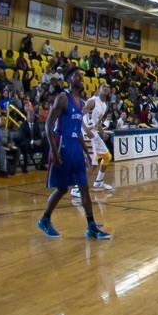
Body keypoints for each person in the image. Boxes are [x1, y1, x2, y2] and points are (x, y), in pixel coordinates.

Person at [36, 67, 111, 239]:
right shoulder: (63, 98)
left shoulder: (82, 103)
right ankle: (45, 219)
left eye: (82, 76)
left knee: (84, 186)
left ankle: (91, 226)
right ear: (69, 79)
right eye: (77, 76)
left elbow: (78, 131)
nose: (81, 78)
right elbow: (48, 125)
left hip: (76, 147)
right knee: (62, 188)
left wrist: (86, 153)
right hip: (62, 145)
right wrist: (54, 152)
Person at [72, 83, 114, 195]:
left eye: (108, 87)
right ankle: (77, 188)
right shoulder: (92, 101)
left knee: (107, 156)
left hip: (94, 133)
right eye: (104, 86)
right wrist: (87, 131)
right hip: (86, 134)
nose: (106, 88)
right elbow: (78, 116)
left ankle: (99, 181)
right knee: (92, 163)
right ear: (98, 89)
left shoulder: (104, 105)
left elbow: (98, 122)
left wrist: (103, 133)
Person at [16, 106, 48, 171]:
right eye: (30, 115)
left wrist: (40, 140)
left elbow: (39, 136)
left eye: (33, 115)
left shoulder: (36, 124)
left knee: (46, 142)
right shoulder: (23, 125)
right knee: (25, 144)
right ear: (27, 116)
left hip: (35, 145)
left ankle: (43, 163)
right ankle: (25, 166)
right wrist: (33, 141)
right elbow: (22, 138)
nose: (32, 117)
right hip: (26, 145)